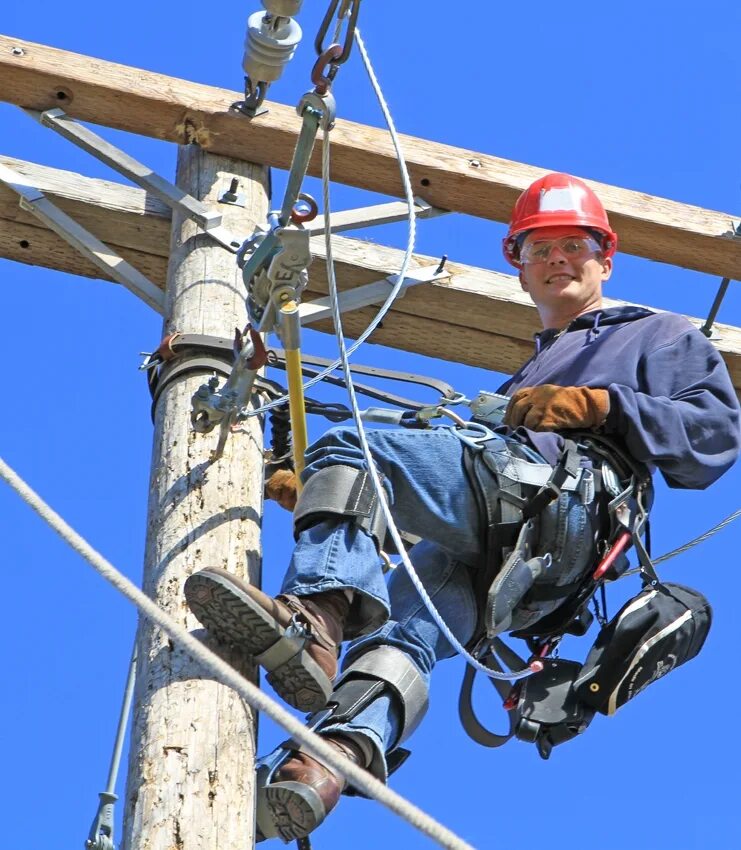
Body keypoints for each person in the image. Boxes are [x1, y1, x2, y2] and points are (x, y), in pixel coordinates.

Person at [184, 173, 741, 842]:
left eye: (572, 245)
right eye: (539, 249)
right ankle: (331, 761)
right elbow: (443, 491)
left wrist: (604, 405)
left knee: (353, 443)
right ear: (518, 266)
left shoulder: (658, 336)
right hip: (516, 564)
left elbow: (716, 437)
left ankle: (314, 619)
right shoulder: (524, 378)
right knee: (405, 625)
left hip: (558, 516)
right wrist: (327, 496)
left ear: (605, 257)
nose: (556, 259)